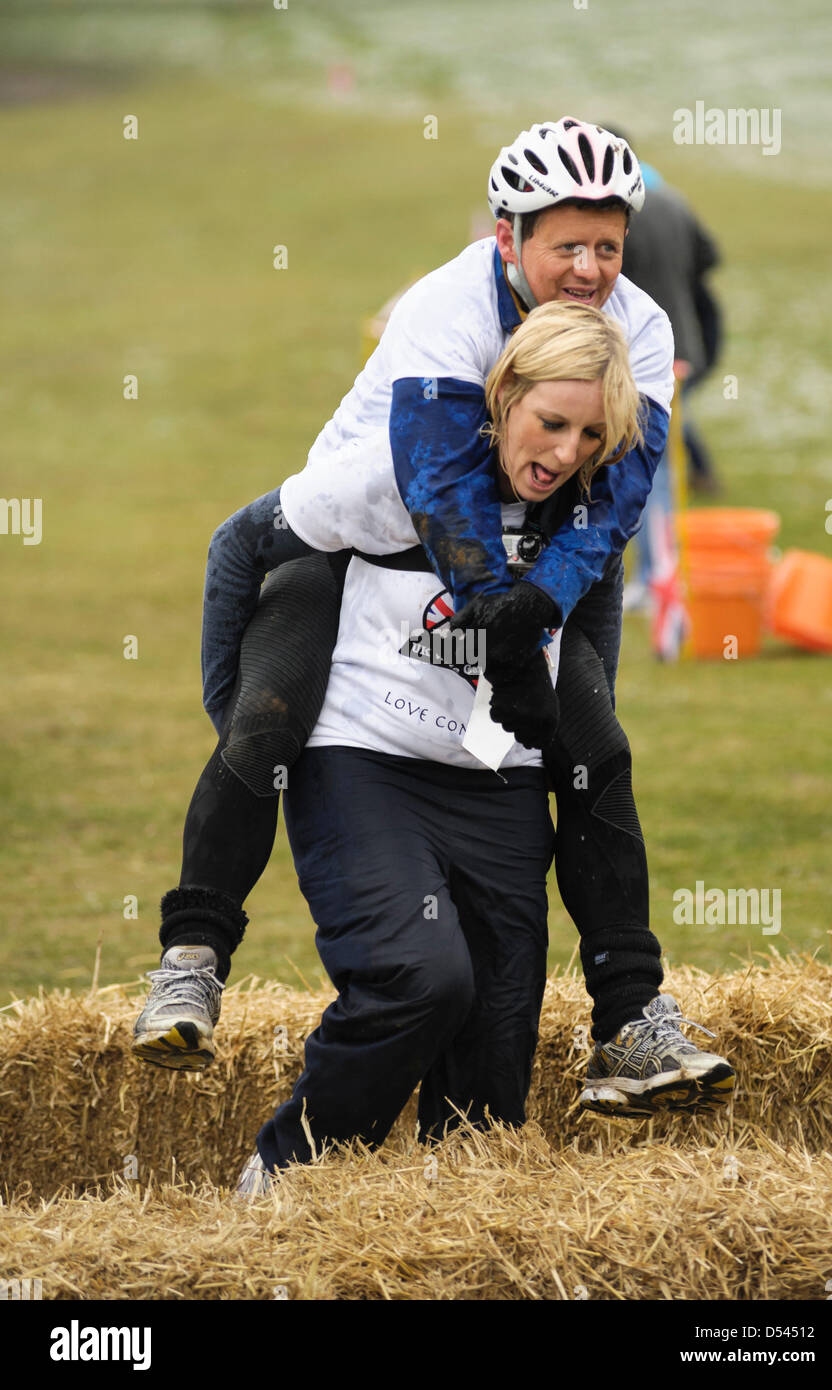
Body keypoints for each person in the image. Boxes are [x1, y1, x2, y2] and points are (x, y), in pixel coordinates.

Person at [133, 119, 734, 1119]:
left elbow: (610, 509)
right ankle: (193, 954)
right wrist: (225, 692)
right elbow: (439, 498)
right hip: (360, 533)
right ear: (509, 239)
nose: (588, 269)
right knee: (269, 719)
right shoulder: (446, 312)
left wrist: (537, 636)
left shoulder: (642, 327)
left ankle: (630, 1020)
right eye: (564, 246)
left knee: (592, 750)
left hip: (527, 560)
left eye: (607, 247)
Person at [231, 302, 639, 1193]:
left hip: (497, 782)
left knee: (496, 1034)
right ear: (502, 397)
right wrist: (232, 707)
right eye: (550, 422)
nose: (566, 451)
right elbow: (241, 544)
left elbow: (590, 657)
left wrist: (566, 736)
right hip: (364, 759)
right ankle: (285, 1174)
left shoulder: (591, 511)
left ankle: (452, 1228)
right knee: (420, 977)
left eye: (589, 434)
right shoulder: (390, 472)